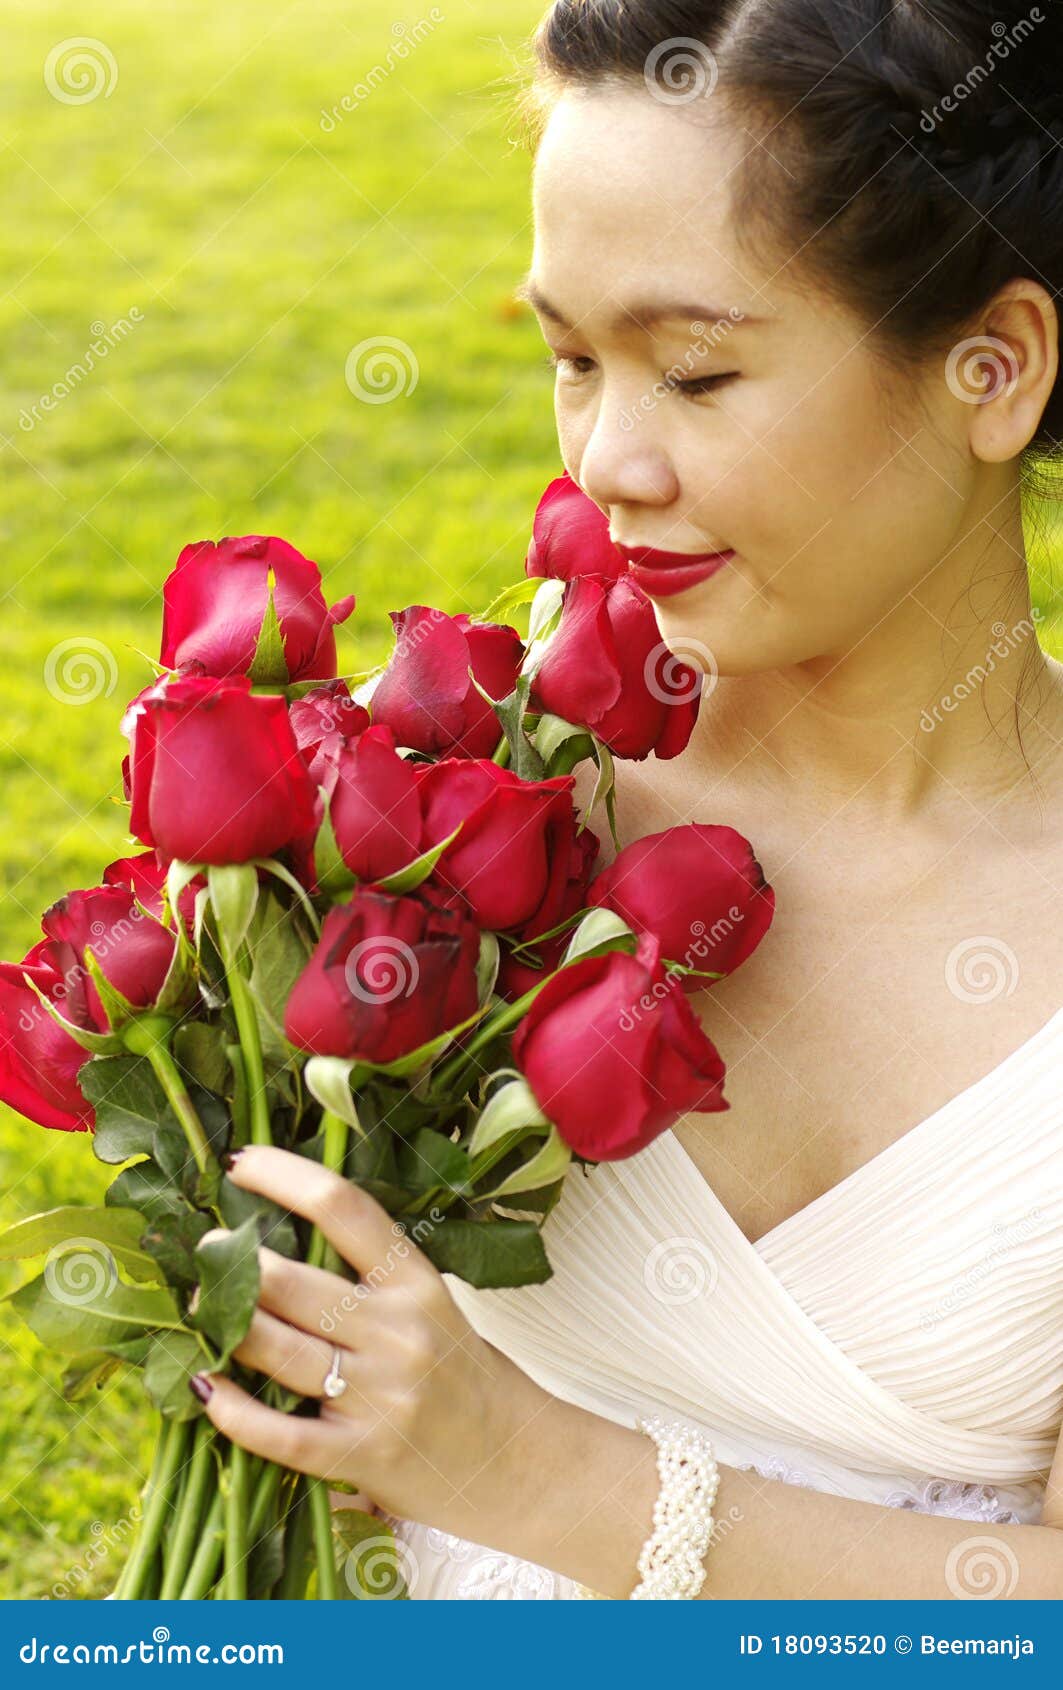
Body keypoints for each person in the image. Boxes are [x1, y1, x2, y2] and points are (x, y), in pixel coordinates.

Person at [192, 0, 1063, 1598]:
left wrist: (530, 1471)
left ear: (992, 369)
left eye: (698, 372)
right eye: (572, 359)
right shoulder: (491, 782)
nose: (606, 464)